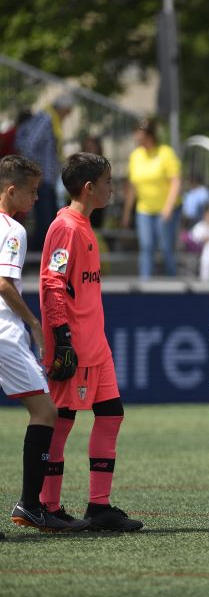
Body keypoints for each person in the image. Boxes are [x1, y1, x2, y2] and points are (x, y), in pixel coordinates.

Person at [39, 152, 143, 531]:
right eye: (108, 182)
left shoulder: (83, 226)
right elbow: (52, 284)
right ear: (89, 187)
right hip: (76, 345)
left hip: (96, 344)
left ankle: (98, 507)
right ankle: (46, 506)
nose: (112, 188)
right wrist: (62, 338)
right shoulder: (66, 227)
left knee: (111, 414)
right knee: (62, 421)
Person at [1, 156, 86, 533]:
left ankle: (32, 505)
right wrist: (34, 323)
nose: (37, 199)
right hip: (4, 334)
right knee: (45, 412)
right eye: (32, 192)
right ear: (11, 191)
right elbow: (3, 284)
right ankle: (31, 505)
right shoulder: (12, 230)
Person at [122, 118, 182, 278]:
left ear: (150, 136)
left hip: (165, 209)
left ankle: (173, 283)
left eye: (140, 135)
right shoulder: (135, 156)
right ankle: (145, 283)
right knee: (146, 247)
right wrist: (127, 212)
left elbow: (175, 182)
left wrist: (168, 208)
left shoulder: (166, 153)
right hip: (144, 210)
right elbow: (133, 187)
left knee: (166, 248)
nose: (137, 139)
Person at [13, 94, 74, 250]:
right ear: (62, 108)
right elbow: (29, 145)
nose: (67, 116)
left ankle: (38, 255)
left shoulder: (51, 120)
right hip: (42, 180)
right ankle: (35, 255)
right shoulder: (46, 119)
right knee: (45, 224)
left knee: (51, 222)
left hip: (48, 180)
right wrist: (35, 172)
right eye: (67, 111)